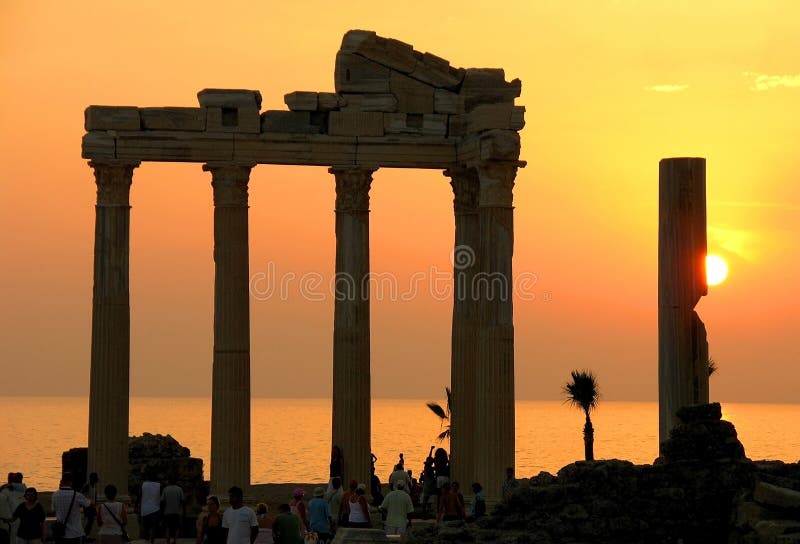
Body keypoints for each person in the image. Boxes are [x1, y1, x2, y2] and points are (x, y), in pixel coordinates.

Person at [52, 474, 91, 544]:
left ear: (61, 481)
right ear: (71, 482)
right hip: (75, 533)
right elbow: (88, 504)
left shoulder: (55, 495)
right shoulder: (77, 495)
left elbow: (53, 510)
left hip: (60, 532)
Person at [139, 474, 161, 544]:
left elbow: (140, 495)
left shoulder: (144, 484)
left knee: (145, 526)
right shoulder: (158, 485)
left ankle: (146, 539)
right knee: (153, 526)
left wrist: (137, 506)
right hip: (155, 508)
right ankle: (152, 540)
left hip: (144, 509)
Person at [80, 473, 99, 541]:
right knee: (90, 521)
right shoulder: (87, 485)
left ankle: (86, 535)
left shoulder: (93, 485)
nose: (97, 479)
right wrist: (86, 502)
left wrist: (95, 505)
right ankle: (85, 535)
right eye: (96, 478)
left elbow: (94, 496)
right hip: (88, 506)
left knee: (91, 521)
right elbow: (81, 493)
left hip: (92, 506)